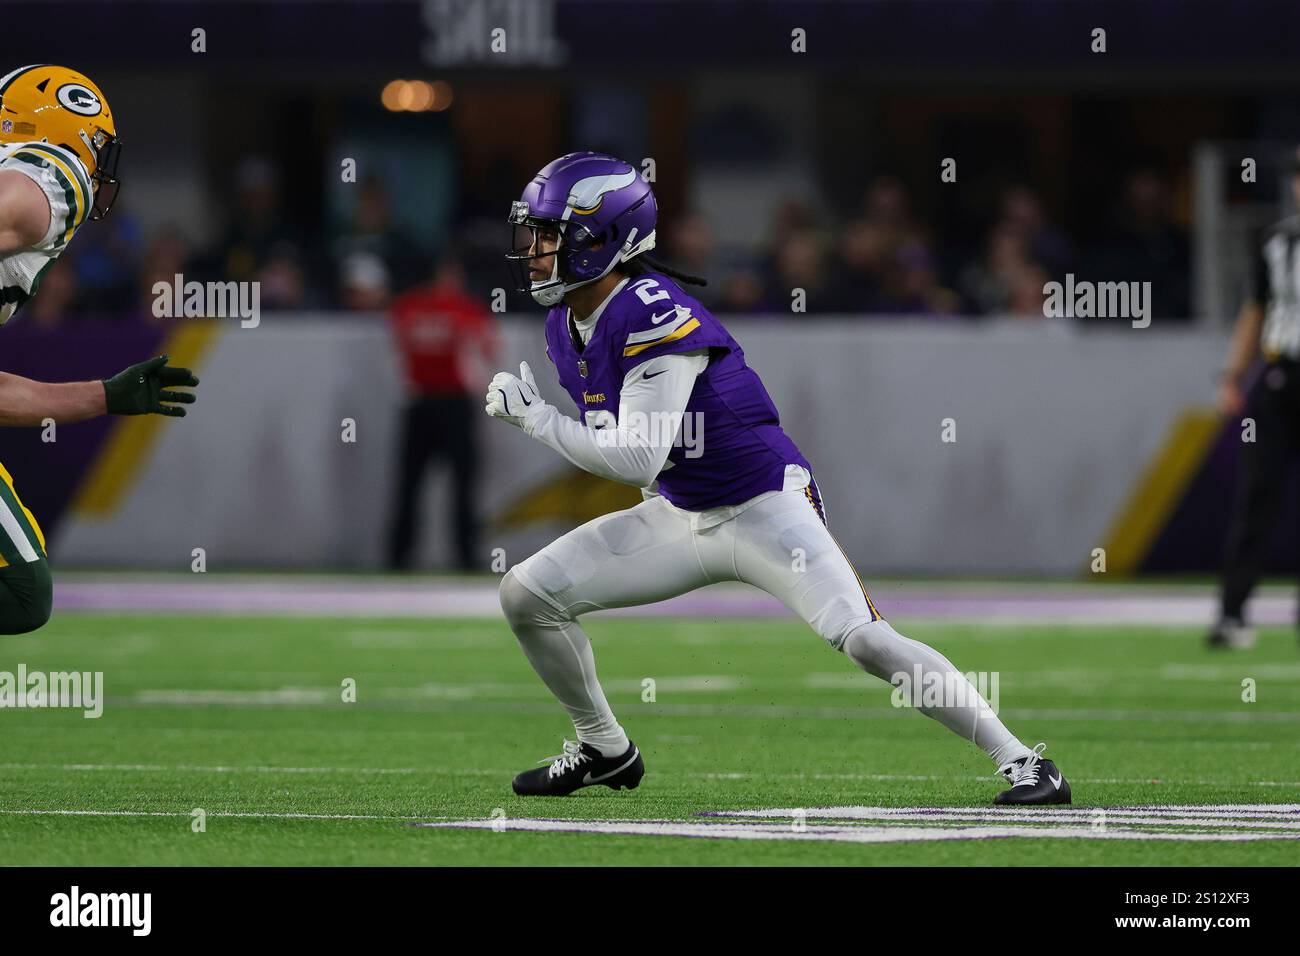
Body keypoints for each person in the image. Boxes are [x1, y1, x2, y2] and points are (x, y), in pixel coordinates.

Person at [485, 152, 1070, 805]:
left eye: (550, 234)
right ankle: (604, 748)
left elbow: (633, 457)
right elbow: (646, 461)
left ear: (604, 240)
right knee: (527, 595)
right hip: (684, 513)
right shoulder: (565, 324)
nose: (534, 250)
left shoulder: (648, 310)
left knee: (867, 641)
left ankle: (1024, 761)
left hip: (764, 505)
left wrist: (536, 420)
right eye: (533, 232)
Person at [0, 64, 199, 633]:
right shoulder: (54, 170)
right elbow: (22, 198)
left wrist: (103, 397)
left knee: (24, 594)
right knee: (19, 591)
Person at [1208, 152, 1300, 649]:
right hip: (1281, 376)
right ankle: (1232, 612)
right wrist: (1232, 374)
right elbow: (1255, 310)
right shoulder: (1276, 241)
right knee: (1257, 496)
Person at [386, 255, 496, 570]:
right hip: (454, 404)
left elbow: (395, 353)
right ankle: (465, 556)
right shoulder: (465, 309)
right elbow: (488, 351)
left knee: (410, 483)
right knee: (462, 485)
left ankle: (399, 556)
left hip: (420, 402)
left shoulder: (407, 307)